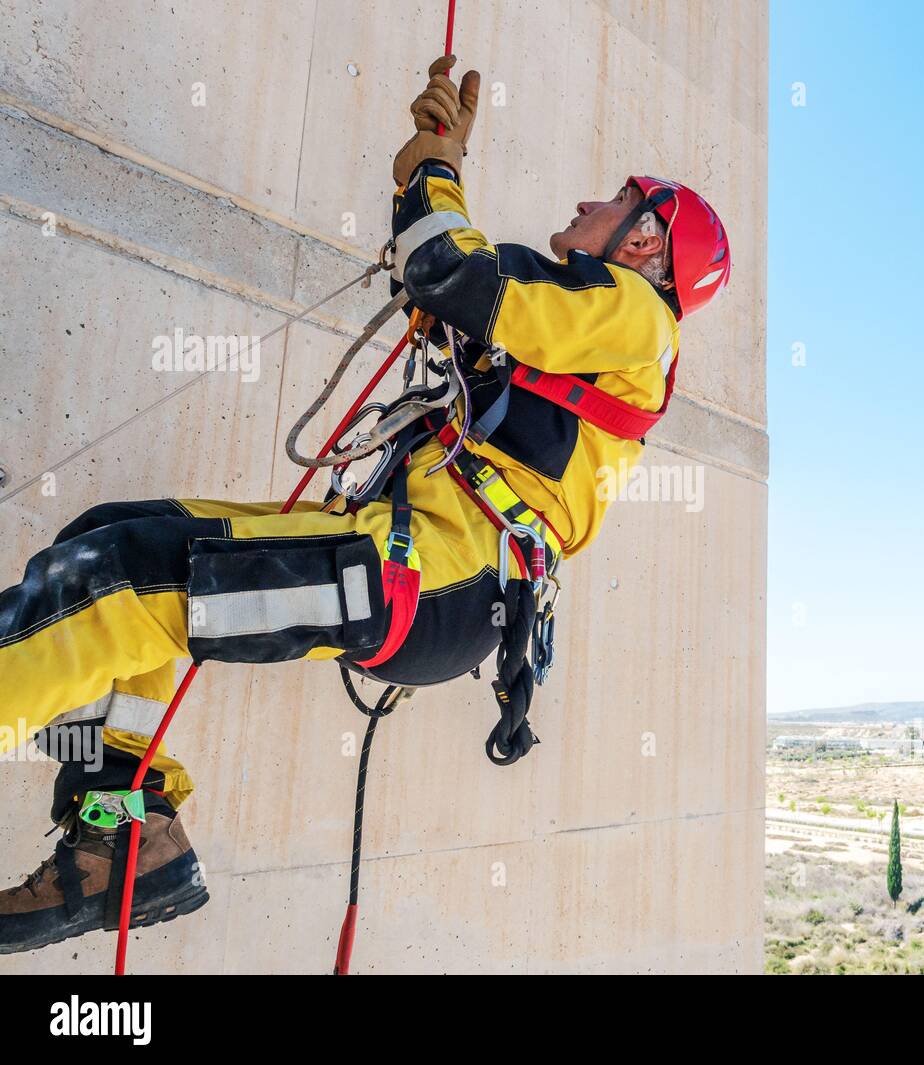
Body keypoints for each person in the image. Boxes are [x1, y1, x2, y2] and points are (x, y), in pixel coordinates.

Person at [0, 56, 729, 955]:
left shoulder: (638, 319)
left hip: (428, 580)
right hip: (404, 560)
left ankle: (120, 830)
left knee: (117, 583)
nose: (589, 203)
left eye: (616, 199)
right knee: (104, 539)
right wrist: (431, 187)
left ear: (648, 243)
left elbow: (446, 270)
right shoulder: (590, 330)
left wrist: (434, 168)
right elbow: (446, 284)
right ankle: (119, 823)